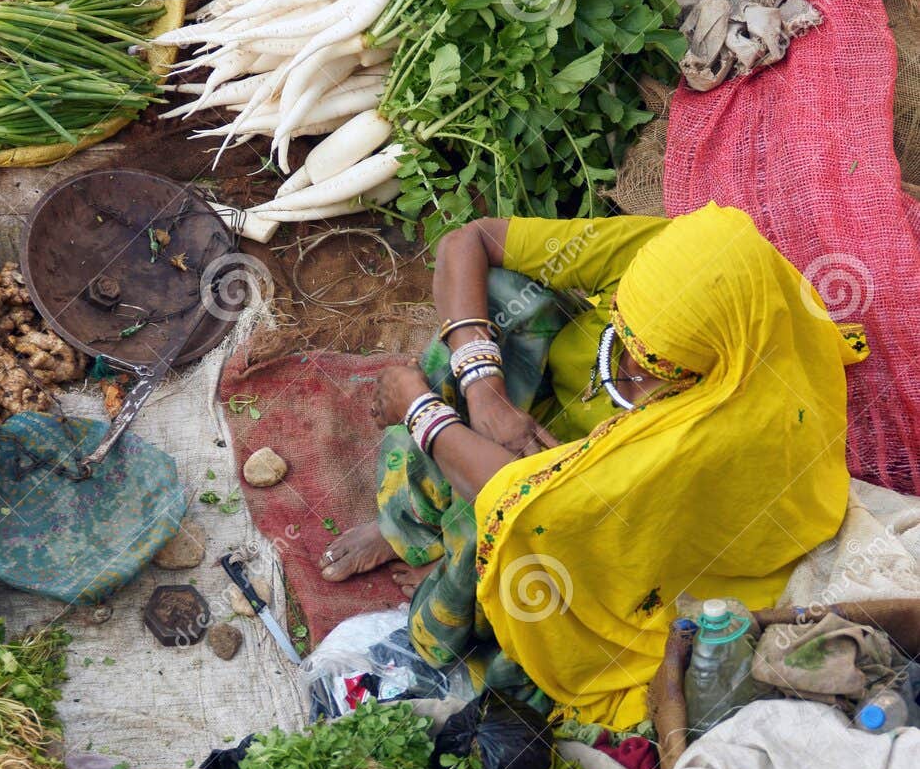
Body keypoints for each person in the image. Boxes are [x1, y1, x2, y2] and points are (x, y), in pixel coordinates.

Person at [319, 202, 868, 728]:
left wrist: (420, 409)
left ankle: (453, 599)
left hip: (604, 517)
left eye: (655, 367)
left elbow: (531, 500)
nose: (626, 367)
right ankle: (410, 524)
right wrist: (482, 387)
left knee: (510, 536)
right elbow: (471, 239)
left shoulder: (723, 432)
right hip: (544, 443)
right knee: (504, 296)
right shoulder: (669, 259)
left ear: (715, 369)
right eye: (621, 333)